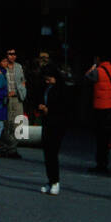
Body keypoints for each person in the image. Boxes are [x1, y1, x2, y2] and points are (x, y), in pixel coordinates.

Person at [84, 52, 111, 174]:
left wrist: (92, 67)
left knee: (101, 139)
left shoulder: (97, 71)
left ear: (98, 59)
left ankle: (102, 164)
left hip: (101, 108)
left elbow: (87, 77)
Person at [38, 64, 69, 194]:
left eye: (49, 78)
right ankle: (50, 180)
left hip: (58, 124)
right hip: (47, 123)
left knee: (53, 153)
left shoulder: (62, 89)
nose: (47, 81)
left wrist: (49, 110)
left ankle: (55, 181)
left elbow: (65, 108)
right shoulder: (47, 88)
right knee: (47, 153)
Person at [0, 46, 27, 159]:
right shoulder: (2, 67)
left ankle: (13, 149)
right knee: (7, 124)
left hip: (18, 98)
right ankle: (5, 148)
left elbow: (23, 80)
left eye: (14, 53)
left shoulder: (19, 67)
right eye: (10, 54)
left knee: (18, 123)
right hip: (6, 99)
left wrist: (23, 91)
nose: (12, 56)